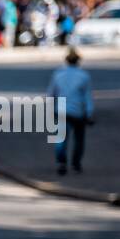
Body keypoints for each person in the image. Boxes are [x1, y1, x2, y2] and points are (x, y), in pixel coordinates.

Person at [47, 48, 93, 176]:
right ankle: (76, 163)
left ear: (66, 61)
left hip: (61, 110)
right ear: (78, 61)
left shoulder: (58, 75)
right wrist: (89, 113)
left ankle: (61, 162)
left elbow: (51, 94)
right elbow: (87, 97)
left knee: (61, 139)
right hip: (78, 111)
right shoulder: (84, 76)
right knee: (79, 139)